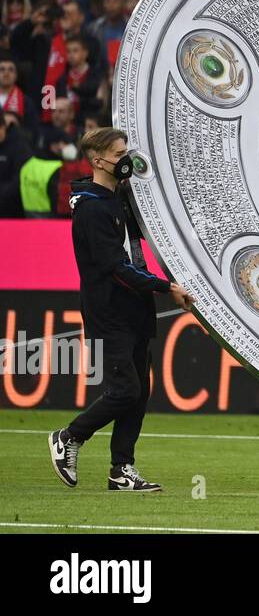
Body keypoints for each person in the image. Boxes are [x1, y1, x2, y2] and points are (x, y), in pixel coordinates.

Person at [48, 127, 196, 491]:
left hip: (135, 308)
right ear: (99, 161)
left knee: (139, 392)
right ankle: (69, 437)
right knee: (126, 390)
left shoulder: (121, 197)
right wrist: (166, 287)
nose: (125, 159)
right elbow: (117, 268)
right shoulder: (91, 209)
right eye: (118, 154)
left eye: (125, 152)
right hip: (110, 311)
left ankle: (121, 470)